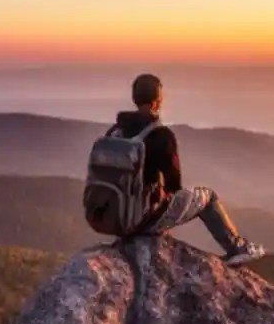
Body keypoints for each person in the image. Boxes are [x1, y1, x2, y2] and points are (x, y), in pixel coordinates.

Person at [113, 73, 265, 266]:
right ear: (155, 102)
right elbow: (174, 186)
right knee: (208, 197)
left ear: (135, 99)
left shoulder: (115, 132)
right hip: (144, 221)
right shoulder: (160, 135)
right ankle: (237, 248)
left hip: (116, 220)